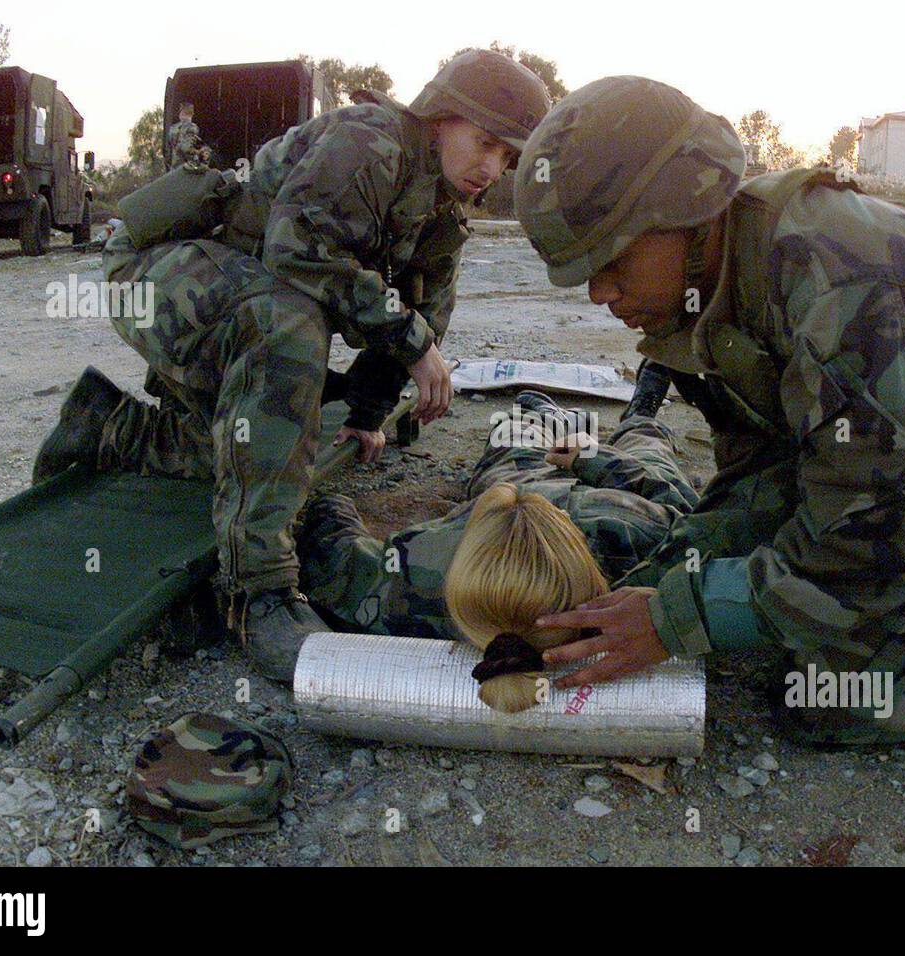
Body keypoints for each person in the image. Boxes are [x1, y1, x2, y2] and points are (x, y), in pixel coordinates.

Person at [512, 76, 905, 746]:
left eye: (611, 261)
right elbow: (759, 468)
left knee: (841, 703)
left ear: (687, 214)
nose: (599, 294)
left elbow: (883, 536)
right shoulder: (714, 284)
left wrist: (676, 619)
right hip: (900, 462)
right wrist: (662, 583)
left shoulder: (838, 281)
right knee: (718, 582)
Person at [31, 51, 552, 682]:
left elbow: (425, 314)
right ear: (441, 118)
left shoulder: (442, 214)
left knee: (255, 452)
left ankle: (108, 429)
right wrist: (413, 343)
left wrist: (366, 412)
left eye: (508, 158)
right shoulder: (370, 140)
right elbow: (297, 250)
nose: (491, 169)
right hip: (155, 272)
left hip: (233, 298)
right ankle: (258, 595)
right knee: (289, 330)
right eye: (486, 143)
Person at [295, 387, 699, 697]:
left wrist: (330, 502)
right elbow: (687, 509)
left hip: (519, 497)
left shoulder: (420, 570)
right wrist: (593, 459)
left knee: (517, 447)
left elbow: (332, 547)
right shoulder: (646, 542)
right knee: (646, 451)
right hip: (595, 499)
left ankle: (593, 417)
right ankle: (628, 415)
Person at [166, 102, 210, 169]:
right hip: (187, 169)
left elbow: (167, 152)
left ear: (180, 113)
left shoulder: (173, 128)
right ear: (192, 114)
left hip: (174, 168)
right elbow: (186, 148)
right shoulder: (191, 127)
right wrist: (200, 152)